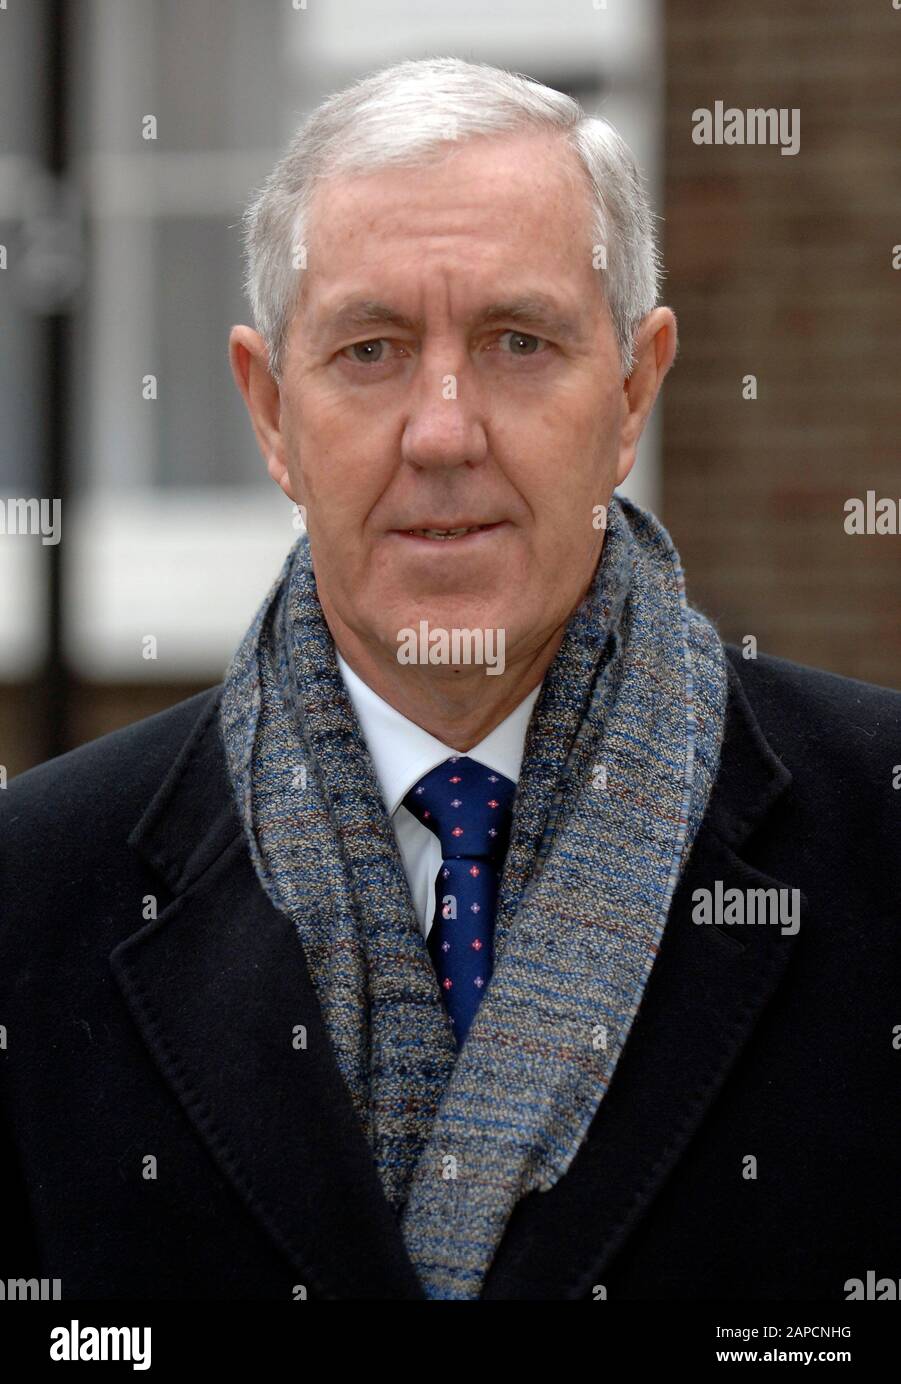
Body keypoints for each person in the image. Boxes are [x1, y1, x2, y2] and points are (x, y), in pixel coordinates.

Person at [1, 57, 898, 1302]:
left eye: (517, 342)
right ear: (269, 411)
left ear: (634, 388)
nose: (441, 432)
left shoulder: (880, 833)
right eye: (369, 350)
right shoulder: (33, 893)